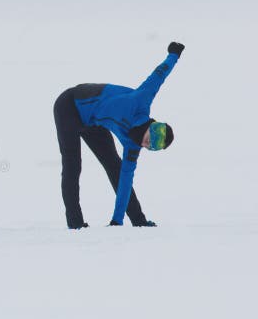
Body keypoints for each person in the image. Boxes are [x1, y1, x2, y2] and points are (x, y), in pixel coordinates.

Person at [53, 41, 184, 229]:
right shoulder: (142, 99)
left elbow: (124, 184)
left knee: (116, 168)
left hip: (94, 123)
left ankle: (138, 220)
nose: (149, 144)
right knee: (73, 165)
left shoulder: (133, 147)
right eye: (153, 138)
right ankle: (75, 224)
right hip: (69, 105)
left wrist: (117, 220)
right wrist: (174, 54)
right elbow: (159, 75)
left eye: (154, 147)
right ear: (153, 126)